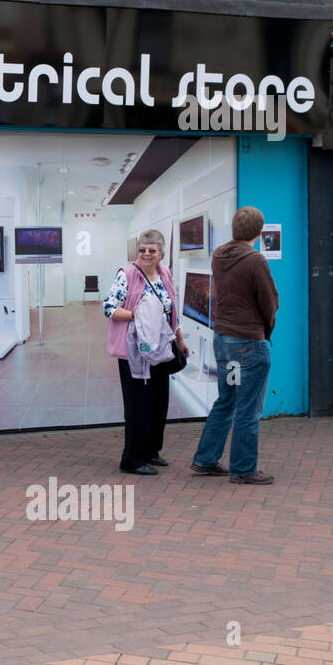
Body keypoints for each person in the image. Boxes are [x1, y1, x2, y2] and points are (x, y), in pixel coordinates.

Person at [191, 206, 280, 485]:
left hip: (224, 341)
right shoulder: (256, 260)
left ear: (234, 228)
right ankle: (243, 469)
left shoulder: (219, 255)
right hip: (248, 343)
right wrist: (266, 330)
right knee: (248, 408)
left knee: (226, 401)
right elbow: (269, 302)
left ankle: (206, 459)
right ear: (258, 231)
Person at [105, 229, 189, 475]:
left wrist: (180, 338)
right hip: (135, 351)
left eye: (152, 250)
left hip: (161, 348)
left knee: (158, 403)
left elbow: (170, 311)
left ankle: (152, 451)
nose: (146, 254)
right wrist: (137, 316)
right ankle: (132, 459)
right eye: (142, 249)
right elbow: (109, 307)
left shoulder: (165, 273)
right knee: (138, 405)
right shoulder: (127, 274)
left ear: (161, 253)